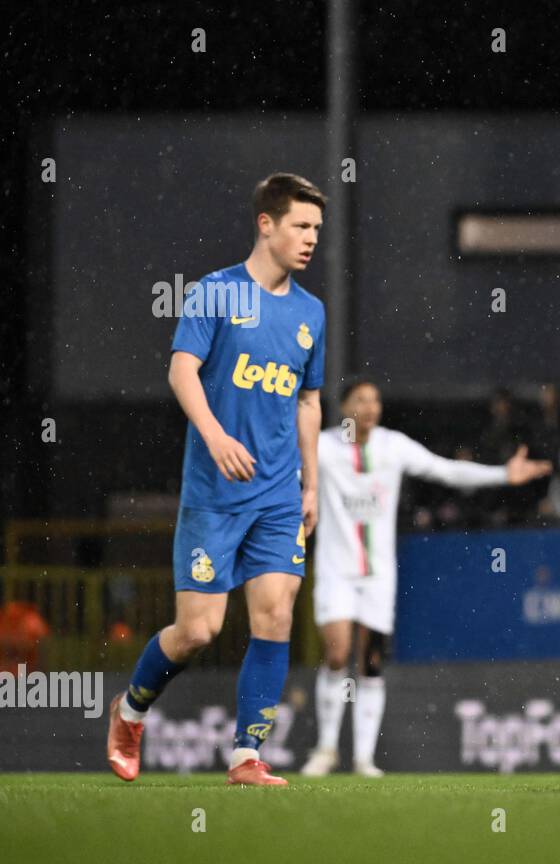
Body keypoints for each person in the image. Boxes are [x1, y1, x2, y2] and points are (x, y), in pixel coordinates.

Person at [106, 173, 327, 786]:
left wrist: (311, 485)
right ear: (266, 224)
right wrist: (215, 435)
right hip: (215, 494)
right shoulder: (215, 293)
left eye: (316, 228)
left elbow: (308, 402)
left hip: (280, 494)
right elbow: (182, 371)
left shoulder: (312, 312)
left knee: (275, 617)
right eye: (301, 226)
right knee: (199, 631)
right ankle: (130, 710)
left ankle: (246, 756)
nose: (311, 239)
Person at [300, 381, 551, 777]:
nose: (370, 407)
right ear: (344, 406)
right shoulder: (324, 448)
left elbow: (447, 470)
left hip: (378, 574)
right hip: (335, 570)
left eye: (376, 400)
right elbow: (285, 470)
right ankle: (326, 749)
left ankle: (363, 758)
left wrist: (503, 474)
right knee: (336, 653)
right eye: (361, 400)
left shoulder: (392, 446)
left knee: (371, 661)